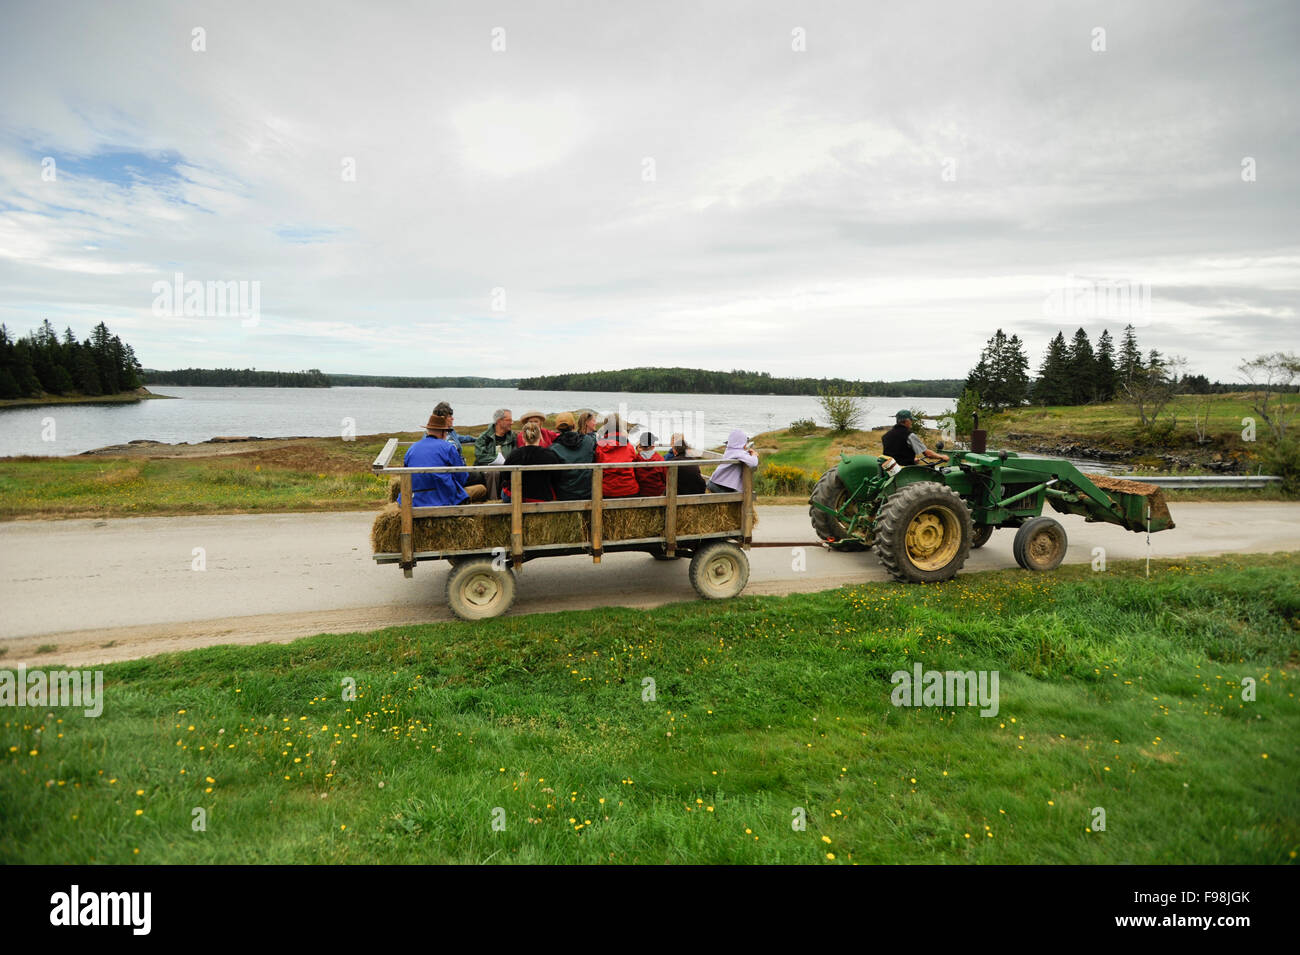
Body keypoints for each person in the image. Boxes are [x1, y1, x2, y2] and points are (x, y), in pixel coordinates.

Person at [399, 412, 487, 506]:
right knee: (481, 489)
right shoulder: (448, 447)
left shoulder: (412, 448)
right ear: (443, 432)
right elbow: (461, 477)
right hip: (442, 499)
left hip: (413, 499)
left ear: (428, 431)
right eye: (446, 432)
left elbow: (406, 476)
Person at [503, 421, 562, 502]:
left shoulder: (514, 454)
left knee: (504, 491)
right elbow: (557, 477)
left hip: (516, 497)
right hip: (542, 497)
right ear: (540, 437)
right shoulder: (550, 455)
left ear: (523, 437)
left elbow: (505, 476)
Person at [550, 411, 597, 500]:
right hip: (587, 493)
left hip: (564, 495)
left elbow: (554, 476)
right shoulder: (588, 441)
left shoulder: (553, 449)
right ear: (574, 425)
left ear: (557, 428)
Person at [594, 412, 640, 498]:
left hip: (608, 491)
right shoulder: (629, 447)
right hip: (629, 490)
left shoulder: (600, 447)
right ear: (620, 427)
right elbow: (635, 466)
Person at [882, 409, 949, 466]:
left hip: (891, 468)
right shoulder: (909, 435)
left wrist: (910, 460)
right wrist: (942, 456)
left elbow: (895, 454)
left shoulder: (886, 435)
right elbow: (928, 454)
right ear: (907, 420)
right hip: (905, 470)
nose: (912, 422)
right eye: (911, 420)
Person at [708, 428, 758, 494]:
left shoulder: (729, 450)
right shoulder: (739, 453)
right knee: (737, 501)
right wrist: (754, 455)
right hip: (721, 486)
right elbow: (753, 463)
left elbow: (739, 453)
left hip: (714, 483)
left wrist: (745, 452)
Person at [634, 432, 667, 496]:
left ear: (640, 445)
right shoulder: (660, 459)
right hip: (658, 492)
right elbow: (665, 478)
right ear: (653, 445)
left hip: (642, 492)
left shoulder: (636, 459)